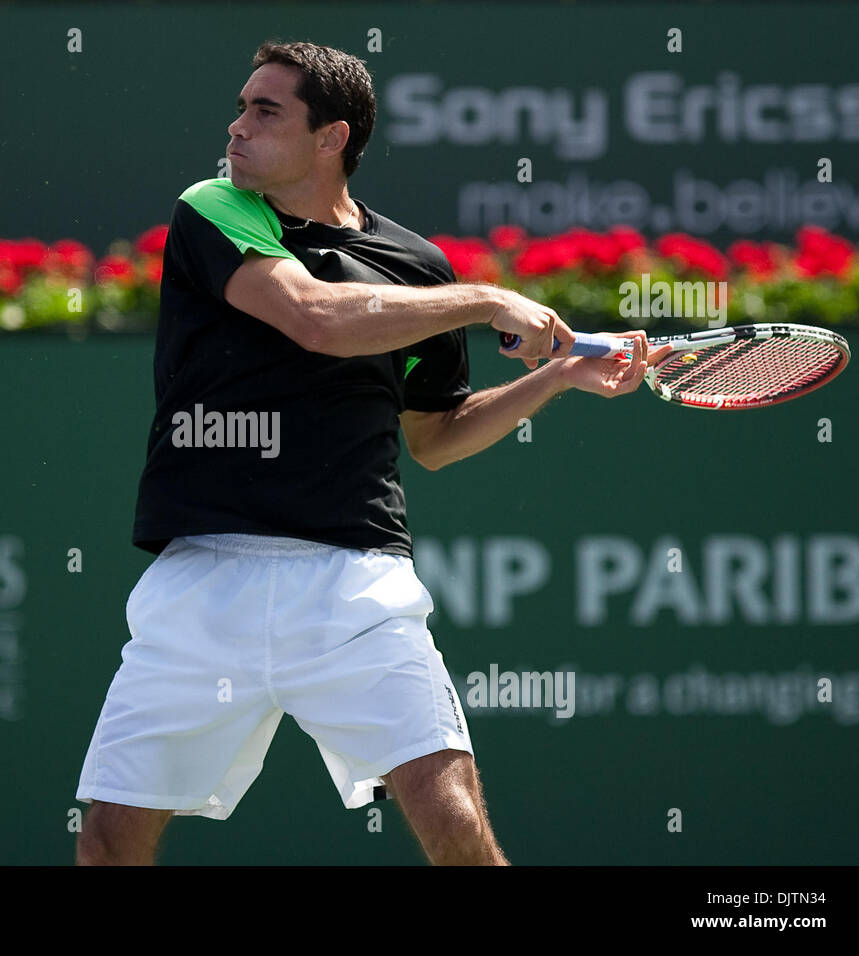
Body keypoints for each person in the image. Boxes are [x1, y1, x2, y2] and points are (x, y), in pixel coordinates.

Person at [75, 40, 664, 865]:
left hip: (352, 586)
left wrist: (557, 377)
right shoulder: (215, 207)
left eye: (264, 111)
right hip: (202, 579)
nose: (236, 126)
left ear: (331, 138)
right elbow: (315, 318)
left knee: (452, 815)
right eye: (243, 106)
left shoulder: (420, 270)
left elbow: (435, 437)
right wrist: (487, 298)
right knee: (109, 841)